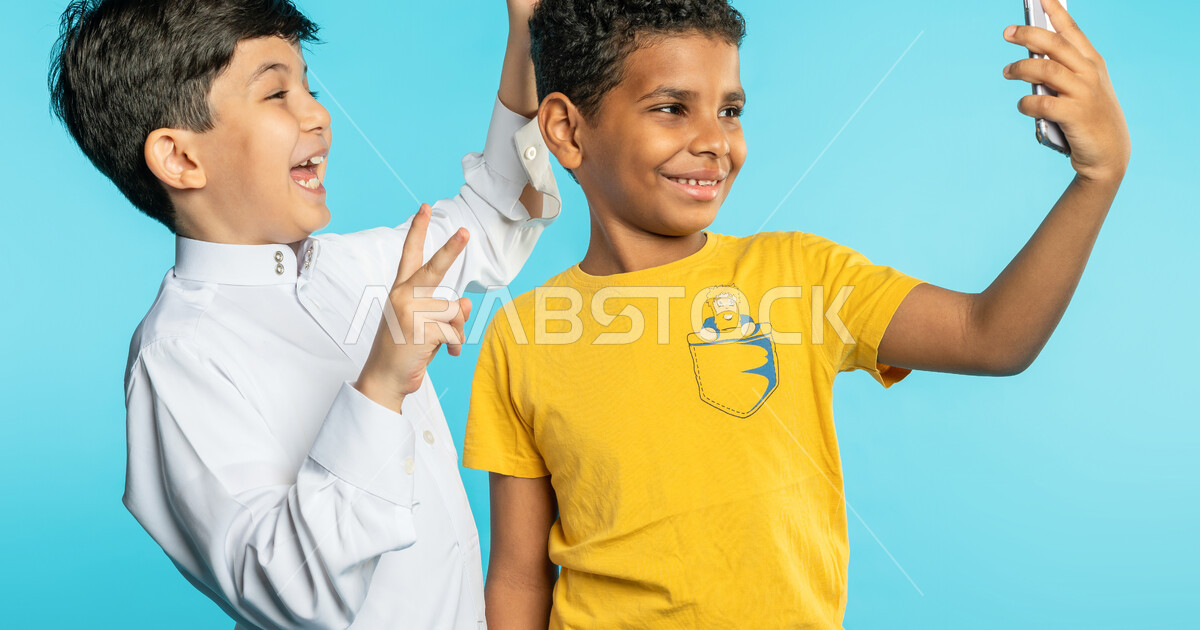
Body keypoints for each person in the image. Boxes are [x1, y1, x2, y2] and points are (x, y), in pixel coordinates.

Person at [464, 0, 1129, 627]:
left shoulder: (801, 277)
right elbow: (520, 578)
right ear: (567, 130)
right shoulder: (524, 335)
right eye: (672, 108)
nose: (713, 141)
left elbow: (990, 338)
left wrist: (1096, 178)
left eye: (730, 110)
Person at [48, 0, 560, 627]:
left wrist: (524, 36)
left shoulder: (356, 267)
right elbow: (291, 589)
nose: (319, 115)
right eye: (276, 94)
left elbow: (494, 215)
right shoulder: (179, 354)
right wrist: (380, 383)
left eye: (310, 88)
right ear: (181, 158)